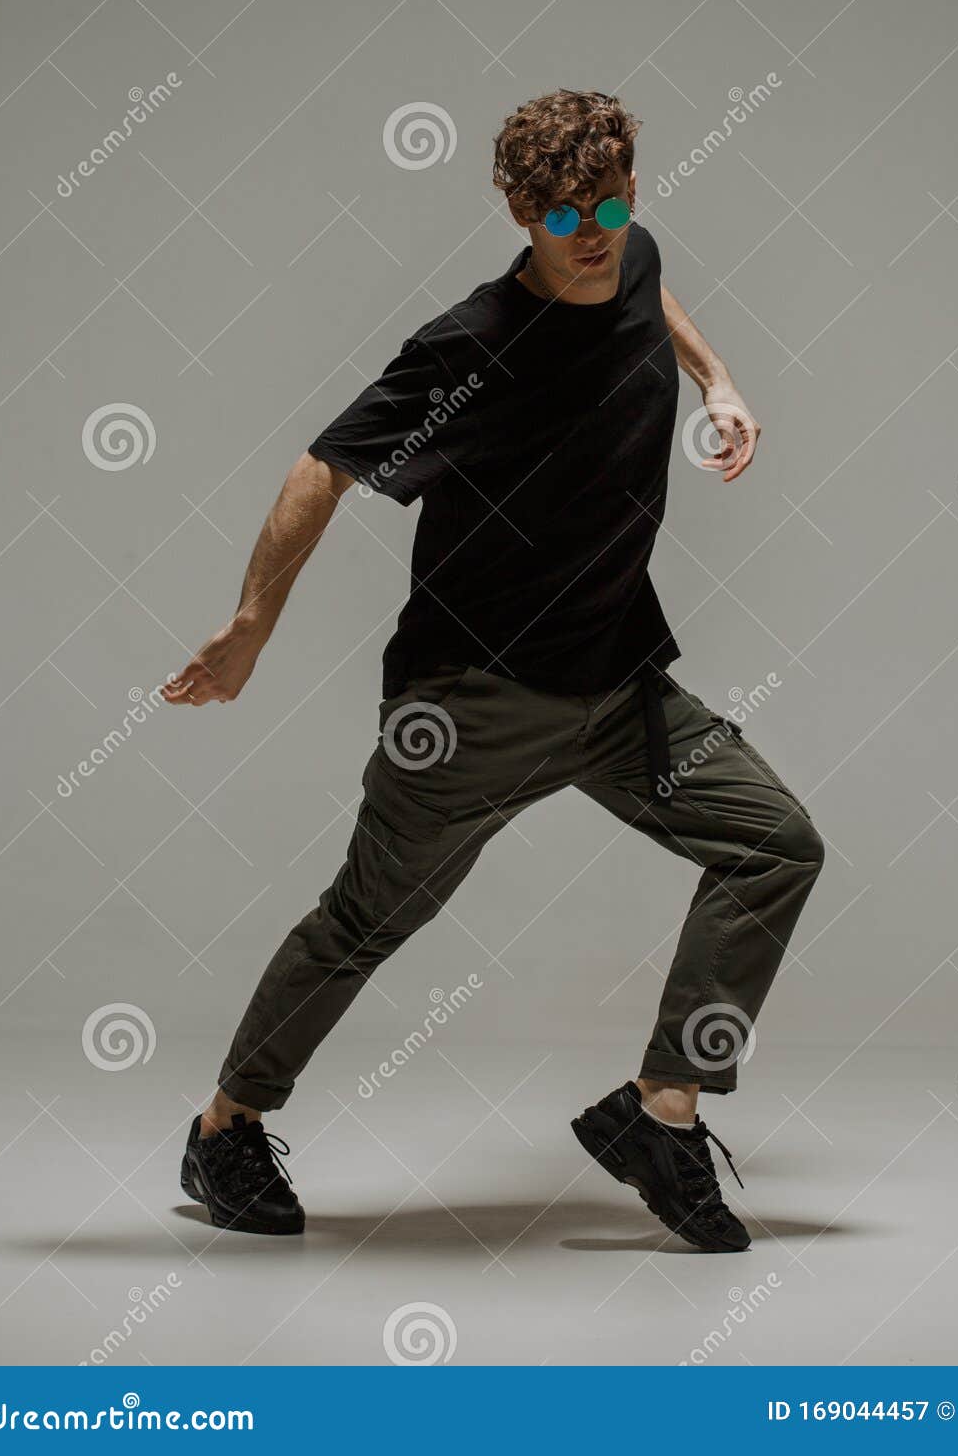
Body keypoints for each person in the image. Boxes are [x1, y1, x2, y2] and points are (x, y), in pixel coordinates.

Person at [167, 89, 825, 1254]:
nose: (593, 233)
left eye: (609, 205)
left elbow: (652, 289)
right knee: (365, 919)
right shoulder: (471, 347)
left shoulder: (630, 251)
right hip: (473, 706)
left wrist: (717, 379)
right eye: (564, 215)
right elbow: (323, 467)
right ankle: (225, 1128)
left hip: (620, 686)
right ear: (521, 212)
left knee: (775, 845)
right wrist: (252, 623)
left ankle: (661, 1112)